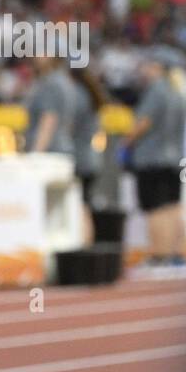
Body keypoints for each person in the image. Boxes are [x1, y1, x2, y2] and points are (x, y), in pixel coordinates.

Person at [122, 47, 186, 271]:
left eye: (150, 65)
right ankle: (177, 255)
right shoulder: (180, 90)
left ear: (159, 67)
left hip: (153, 158)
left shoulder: (158, 90)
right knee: (173, 206)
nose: (146, 69)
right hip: (176, 158)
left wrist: (127, 141)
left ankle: (160, 257)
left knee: (156, 208)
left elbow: (143, 122)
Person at [70, 65, 110, 241]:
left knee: (79, 206)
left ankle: (83, 249)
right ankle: (86, 247)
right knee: (84, 205)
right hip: (91, 158)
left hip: (79, 158)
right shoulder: (89, 93)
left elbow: (69, 126)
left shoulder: (77, 94)